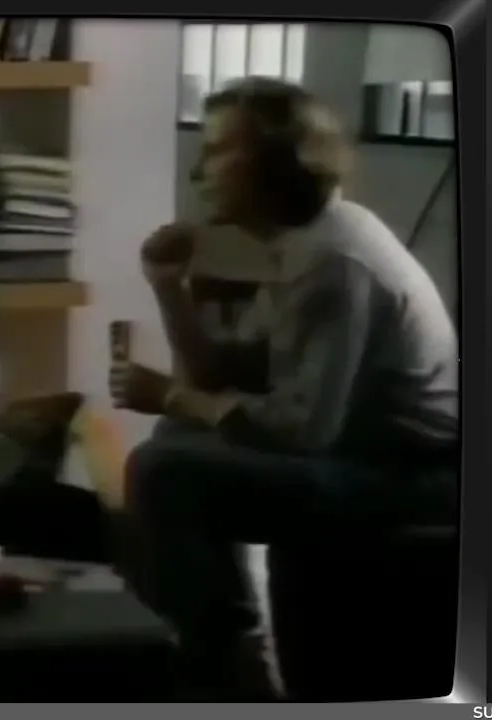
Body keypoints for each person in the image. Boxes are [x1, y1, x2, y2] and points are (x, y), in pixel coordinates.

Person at [109, 77, 458, 699]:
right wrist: (168, 287)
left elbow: (301, 431)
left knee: (163, 469)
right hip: (366, 452)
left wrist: (172, 396)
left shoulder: (334, 261)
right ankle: (212, 646)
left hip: (414, 475)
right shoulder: (308, 241)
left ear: (280, 160)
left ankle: (227, 670)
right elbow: (221, 376)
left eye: (217, 152)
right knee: (173, 439)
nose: (197, 171)